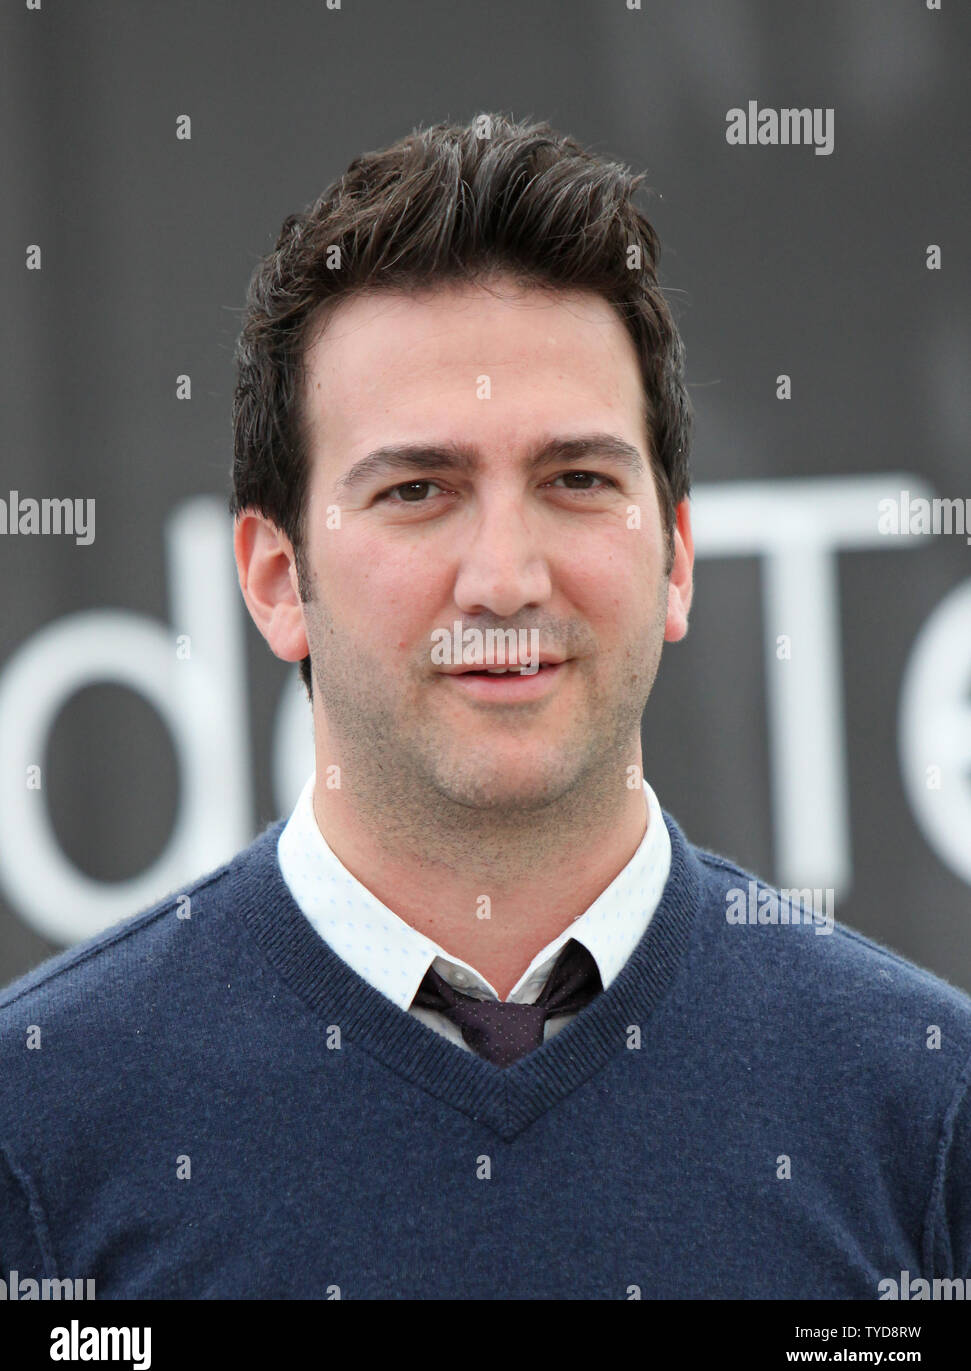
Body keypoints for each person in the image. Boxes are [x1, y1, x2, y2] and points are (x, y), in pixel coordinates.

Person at [1, 115, 969, 1301]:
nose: (504, 576)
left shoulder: (926, 1106)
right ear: (273, 580)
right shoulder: (36, 1129)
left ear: (673, 558)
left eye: (575, 480)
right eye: (418, 489)